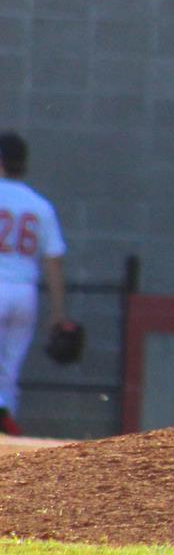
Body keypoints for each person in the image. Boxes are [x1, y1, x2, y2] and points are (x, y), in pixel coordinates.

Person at [0, 132, 68, 438]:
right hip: (25, 294)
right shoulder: (39, 205)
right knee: (9, 373)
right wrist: (58, 312)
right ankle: (6, 435)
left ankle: (3, 417)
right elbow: (53, 261)